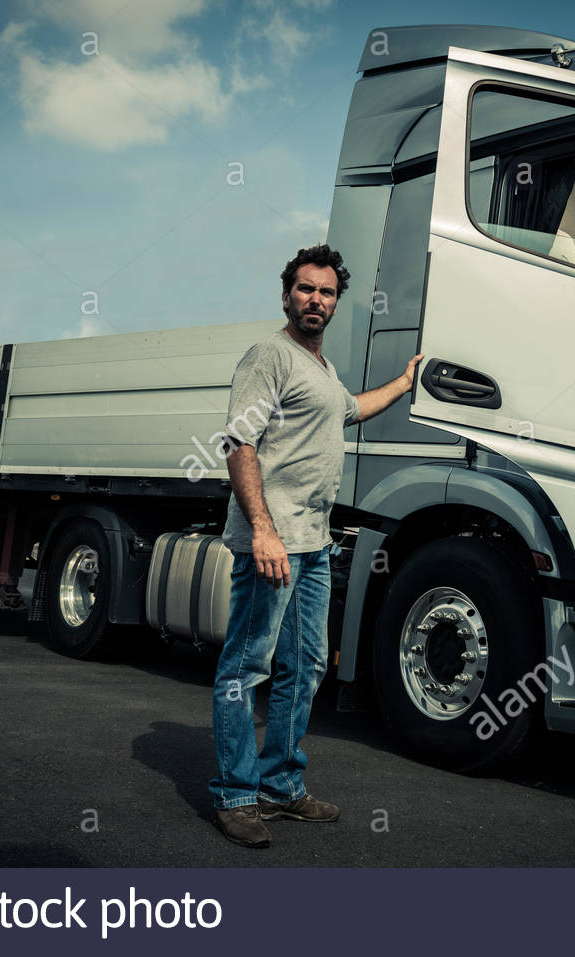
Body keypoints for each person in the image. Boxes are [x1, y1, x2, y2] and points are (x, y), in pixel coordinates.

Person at [210, 243, 423, 848]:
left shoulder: (323, 372)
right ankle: (234, 794)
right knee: (246, 665)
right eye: (306, 289)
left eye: (326, 292)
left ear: (335, 303)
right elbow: (239, 443)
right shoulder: (269, 355)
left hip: (314, 546)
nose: (316, 300)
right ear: (286, 295)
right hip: (273, 545)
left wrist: (405, 383)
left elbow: (350, 410)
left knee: (303, 669)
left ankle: (280, 787)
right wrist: (263, 530)